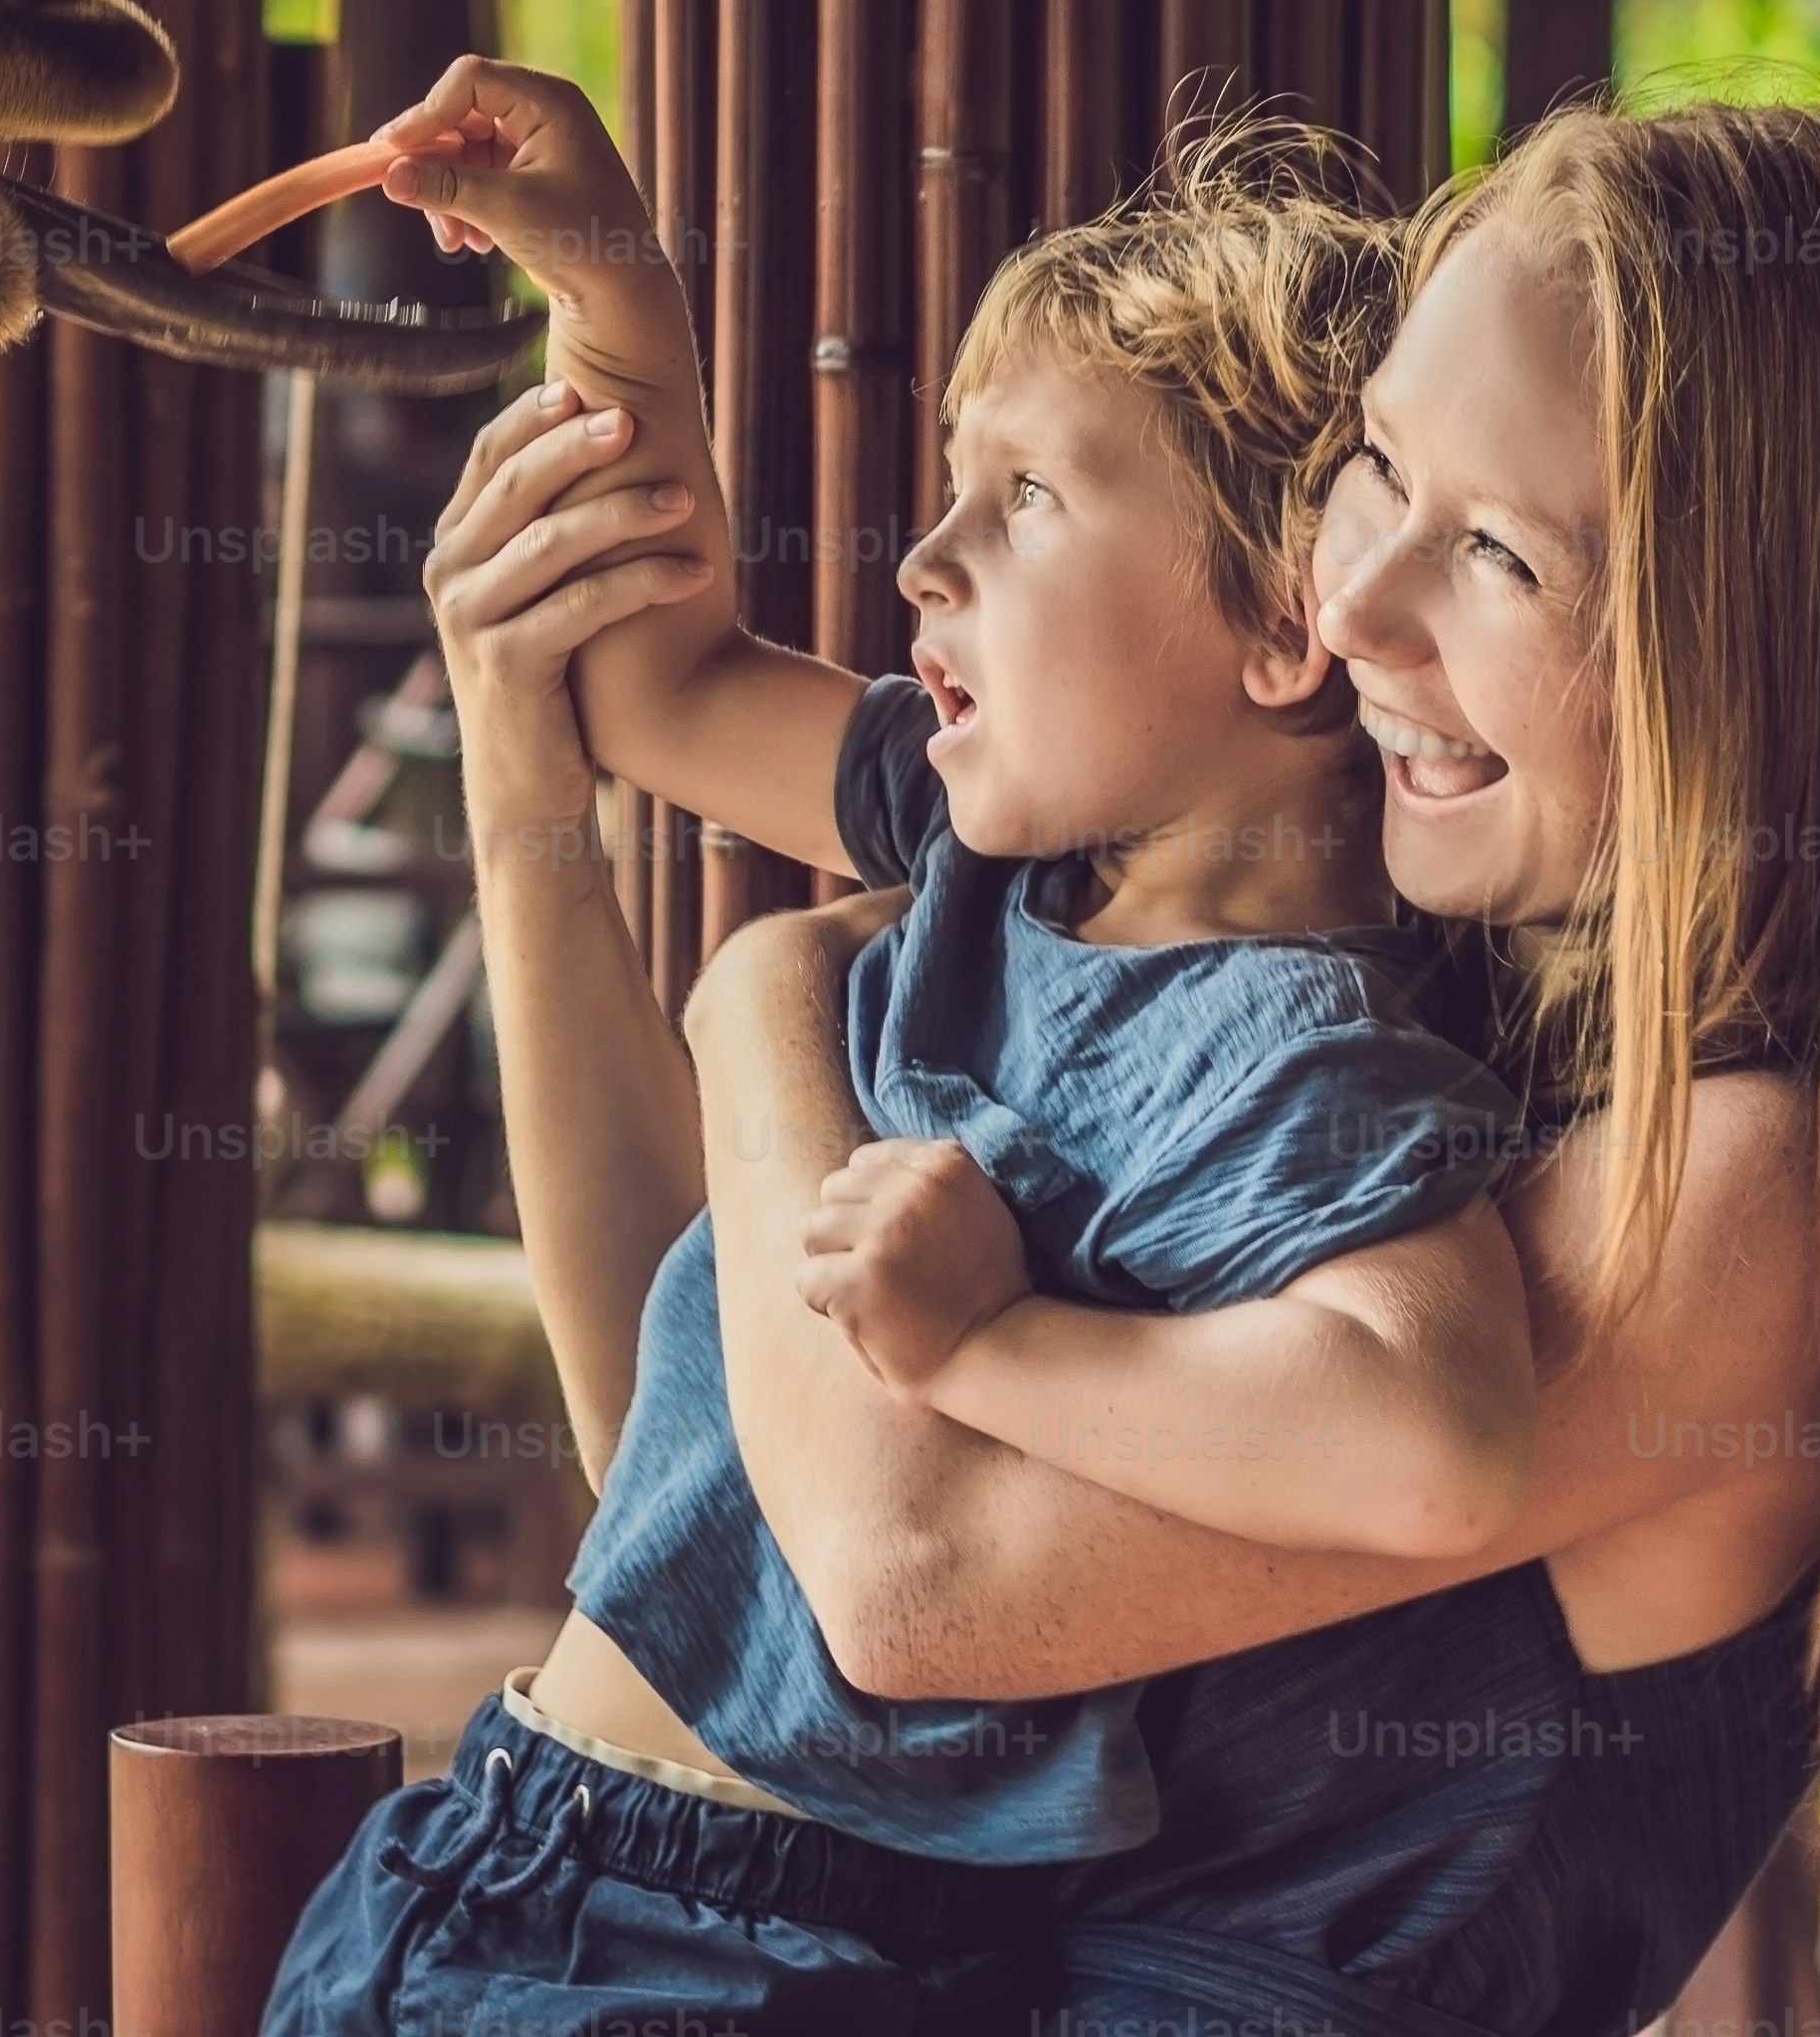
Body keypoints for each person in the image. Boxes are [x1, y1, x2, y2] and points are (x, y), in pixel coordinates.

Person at [341, 76, 1820, 2033]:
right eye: (1378, 469)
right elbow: (704, 1515)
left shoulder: (1735, 1196)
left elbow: (901, 1569)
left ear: (1765, 648)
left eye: (1505, 556)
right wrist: (530, 750)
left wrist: (775, 994)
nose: (1350, 599)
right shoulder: (1386, 963)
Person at [271, 102, 1534, 2028]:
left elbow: (1437, 1436)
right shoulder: (990, 858)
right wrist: (614, 299)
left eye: (1025, 495)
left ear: (1292, 618)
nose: (927, 558)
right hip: (514, 1838)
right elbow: (655, 684)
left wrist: (993, 1348)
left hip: (745, 1942)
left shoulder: (1294, 1049)